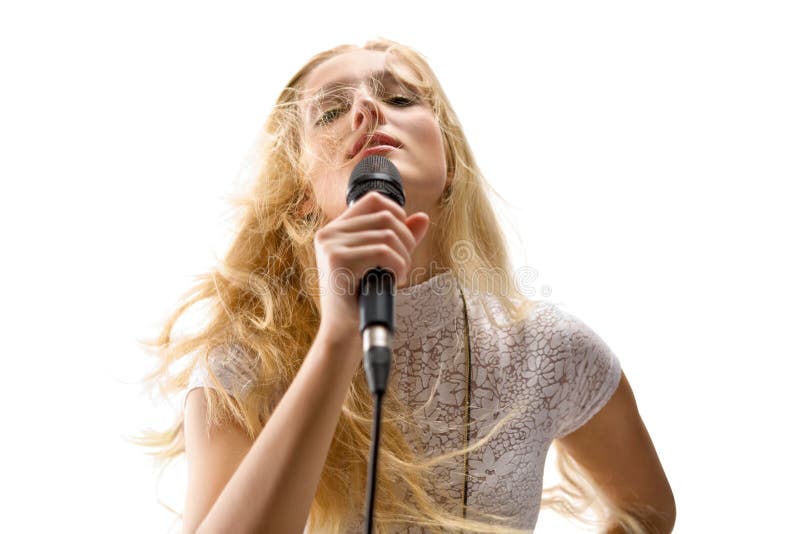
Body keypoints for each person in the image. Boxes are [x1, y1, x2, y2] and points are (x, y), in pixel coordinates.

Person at [137, 39, 675, 533]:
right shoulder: (243, 366)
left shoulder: (549, 350)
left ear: (451, 161)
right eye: (330, 110)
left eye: (399, 99)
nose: (366, 110)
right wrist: (337, 340)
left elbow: (648, 512)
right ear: (299, 191)